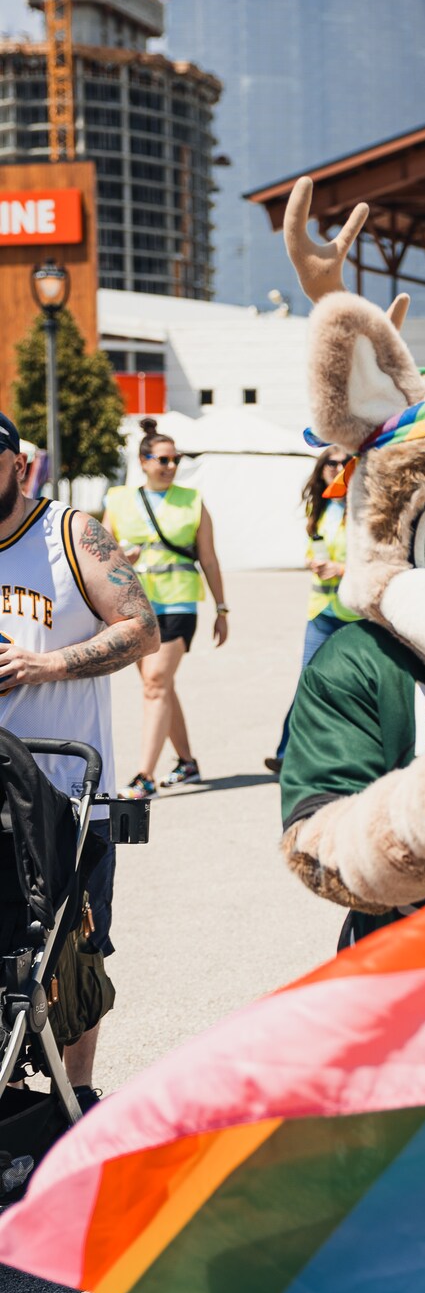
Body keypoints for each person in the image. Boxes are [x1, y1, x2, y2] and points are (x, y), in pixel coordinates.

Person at [0, 410, 157, 1091]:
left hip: (67, 790)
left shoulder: (71, 534)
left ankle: (77, 1098)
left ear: (14, 462)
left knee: (76, 953)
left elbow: (142, 628)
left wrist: (48, 665)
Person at [103, 420, 228, 798]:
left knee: (155, 682)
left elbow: (208, 557)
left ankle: (144, 776)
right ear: (143, 461)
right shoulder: (118, 499)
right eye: (163, 459)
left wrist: (222, 609)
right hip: (135, 605)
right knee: (159, 685)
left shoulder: (192, 500)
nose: (171, 466)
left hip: (179, 602)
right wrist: (124, 555)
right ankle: (187, 763)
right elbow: (103, 557)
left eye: (176, 459)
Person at [265, 445, 355, 773]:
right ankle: (288, 754)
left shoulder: (362, 507)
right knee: (309, 681)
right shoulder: (318, 507)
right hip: (322, 610)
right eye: (330, 462)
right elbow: (313, 550)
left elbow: (376, 560)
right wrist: (313, 562)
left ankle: (343, 756)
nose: (337, 466)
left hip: (355, 613)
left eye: (344, 461)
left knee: (349, 686)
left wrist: (340, 569)